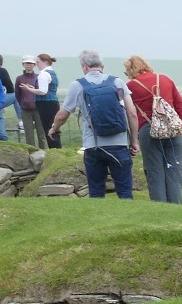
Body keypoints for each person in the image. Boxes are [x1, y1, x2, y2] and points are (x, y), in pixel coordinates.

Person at [48, 50, 141, 199]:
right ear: (102, 66)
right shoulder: (117, 82)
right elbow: (132, 113)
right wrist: (134, 141)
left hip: (93, 145)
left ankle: (98, 219)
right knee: (124, 191)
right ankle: (128, 219)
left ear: (84, 66)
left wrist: (54, 129)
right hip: (119, 144)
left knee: (96, 191)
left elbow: (62, 115)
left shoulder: (77, 85)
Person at [124, 55, 182, 204]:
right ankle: (175, 206)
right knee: (174, 170)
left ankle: (160, 207)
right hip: (174, 130)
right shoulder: (165, 79)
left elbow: (129, 112)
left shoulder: (131, 86)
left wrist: (132, 139)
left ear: (131, 70)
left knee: (154, 171)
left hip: (148, 130)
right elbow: (180, 107)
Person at [25, 54, 61, 148]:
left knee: (48, 128)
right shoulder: (52, 72)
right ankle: (57, 149)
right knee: (54, 127)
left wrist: (29, 89)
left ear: (45, 62)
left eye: (38, 62)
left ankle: (54, 149)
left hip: (45, 104)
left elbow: (43, 92)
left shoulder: (44, 74)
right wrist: (34, 88)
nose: (37, 65)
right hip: (53, 102)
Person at [0, 54, 18, 141]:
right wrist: (1, 102)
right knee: (16, 96)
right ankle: (21, 121)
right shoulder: (1, 71)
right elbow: (9, 88)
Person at [15, 58, 42, 148]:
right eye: (27, 63)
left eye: (31, 64)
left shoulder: (38, 77)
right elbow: (17, 94)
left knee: (41, 133)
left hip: (38, 108)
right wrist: (22, 104)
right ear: (23, 65)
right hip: (25, 109)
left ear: (34, 65)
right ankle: (31, 152)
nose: (29, 65)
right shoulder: (19, 78)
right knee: (29, 134)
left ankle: (44, 152)